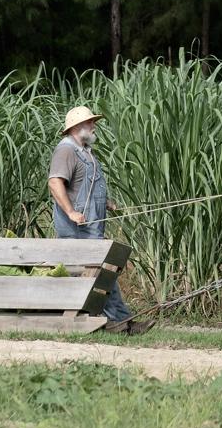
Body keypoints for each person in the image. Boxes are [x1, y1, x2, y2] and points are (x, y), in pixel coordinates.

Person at [47, 106, 155, 335]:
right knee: (102, 277)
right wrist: (70, 212)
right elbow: (55, 183)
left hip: (92, 227)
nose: (94, 125)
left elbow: (85, 186)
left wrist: (106, 201)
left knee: (102, 276)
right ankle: (121, 322)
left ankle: (116, 321)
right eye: (90, 122)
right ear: (76, 127)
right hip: (77, 229)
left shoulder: (85, 151)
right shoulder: (66, 151)